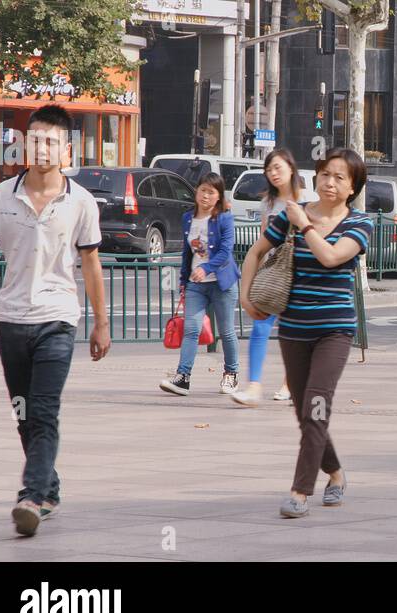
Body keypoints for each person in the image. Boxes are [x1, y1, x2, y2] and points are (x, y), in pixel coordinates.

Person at [0, 104, 111, 536]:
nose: (43, 148)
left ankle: (31, 496)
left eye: (51, 141)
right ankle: (48, 485)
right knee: (24, 412)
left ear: (66, 149)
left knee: (44, 410)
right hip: (12, 320)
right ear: (24, 144)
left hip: (58, 319)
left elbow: (90, 264)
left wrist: (100, 323)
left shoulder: (80, 202)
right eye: (36, 140)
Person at [240, 147, 373, 518]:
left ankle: (300, 491)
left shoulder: (359, 223)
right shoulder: (291, 215)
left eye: (339, 177)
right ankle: (336, 473)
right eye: (325, 174)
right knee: (305, 411)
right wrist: (246, 297)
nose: (329, 182)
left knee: (316, 407)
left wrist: (305, 226)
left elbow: (331, 257)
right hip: (294, 327)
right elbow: (254, 253)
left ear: (352, 187)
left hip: (334, 331)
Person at [232, 148, 318, 407]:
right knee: (260, 326)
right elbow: (262, 242)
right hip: (273, 273)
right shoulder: (268, 203)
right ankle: (254, 386)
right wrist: (257, 272)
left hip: (300, 273)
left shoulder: (308, 198)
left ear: (291, 168)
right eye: (269, 170)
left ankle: (290, 383)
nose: (273, 174)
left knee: (295, 332)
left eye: (277, 168)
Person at [160, 173, 241, 396]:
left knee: (226, 331)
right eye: (203, 190)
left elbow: (225, 251)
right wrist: (184, 281)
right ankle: (182, 377)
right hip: (196, 285)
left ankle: (231, 374)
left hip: (222, 283)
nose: (206, 195)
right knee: (191, 329)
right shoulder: (188, 218)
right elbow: (187, 252)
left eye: (212, 192)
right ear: (196, 192)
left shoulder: (224, 218)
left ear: (218, 197)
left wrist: (205, 268)